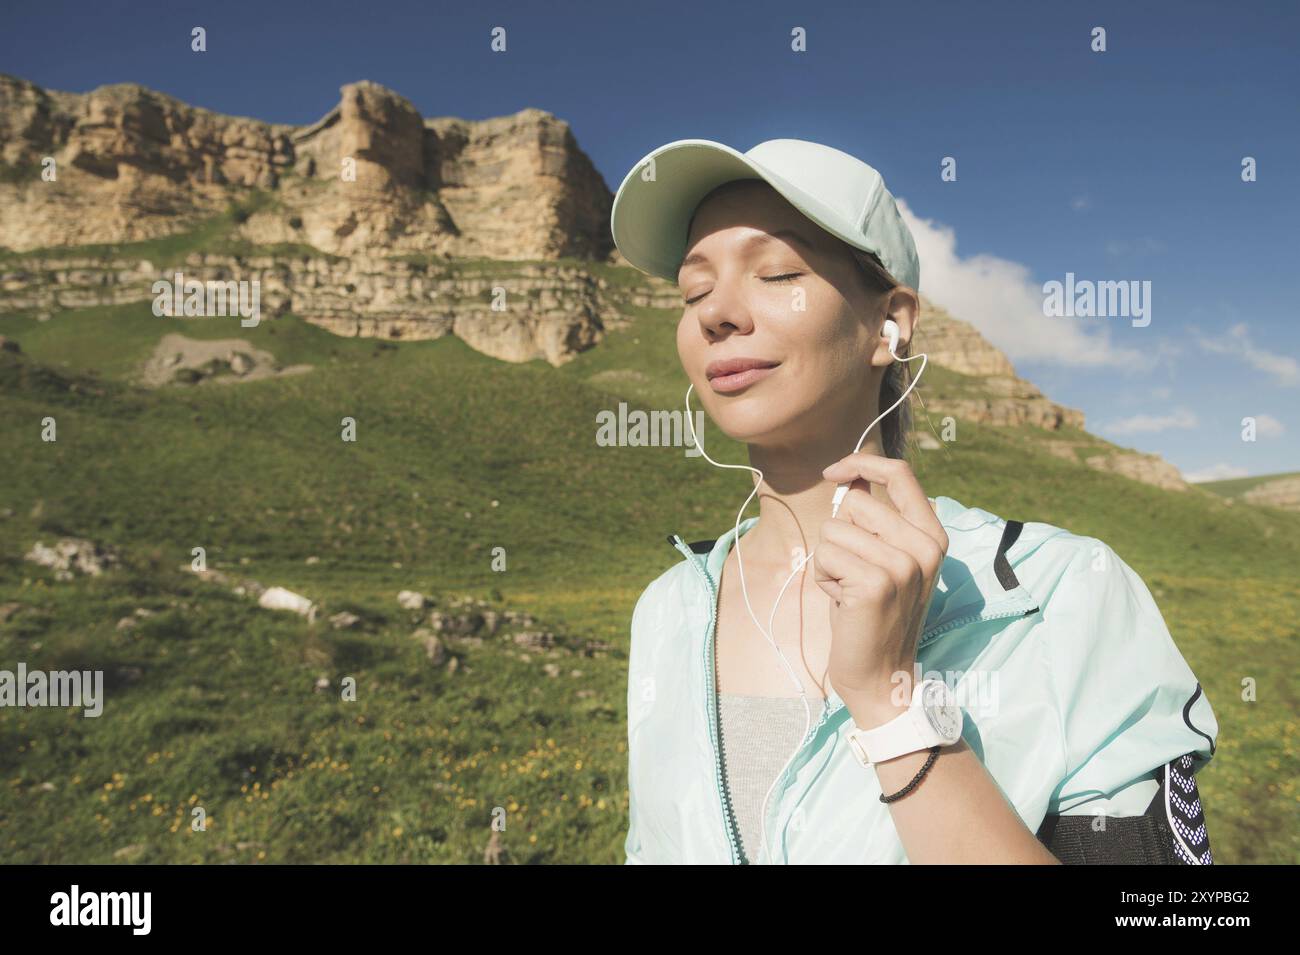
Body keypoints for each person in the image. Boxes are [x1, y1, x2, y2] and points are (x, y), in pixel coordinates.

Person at [608, 138, 1219, 865]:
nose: (717, 314)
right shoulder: (667, 611)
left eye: (776, 272)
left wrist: (891, 704)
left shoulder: (1067, 594)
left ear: (890, 324)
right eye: (694, 291)